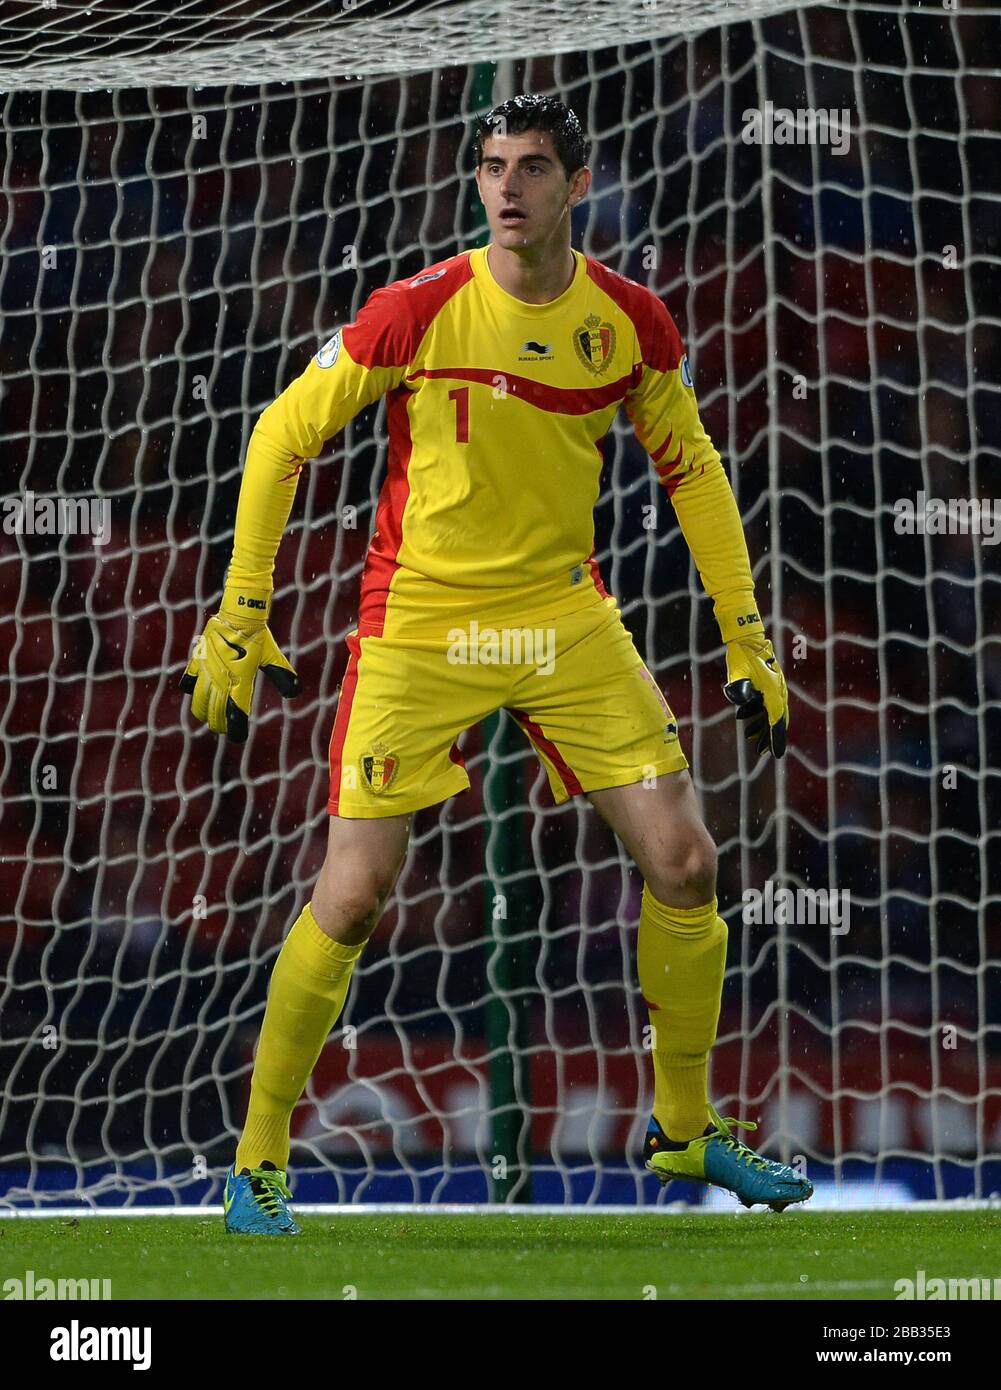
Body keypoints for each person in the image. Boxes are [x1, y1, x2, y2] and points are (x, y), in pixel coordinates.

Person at [180, 93, 810, 1234]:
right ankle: (258, 1160)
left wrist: (746, 635)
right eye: (488, 167)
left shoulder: (625, 322)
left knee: (683, 860)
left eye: (528, 168)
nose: (505, 189)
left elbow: (696, 472)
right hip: (419, 620)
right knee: (357, 891)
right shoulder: (416, 309)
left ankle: (682, 1131)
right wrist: (240, 610)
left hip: (561, 616)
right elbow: (281, 432)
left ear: (577, 184)